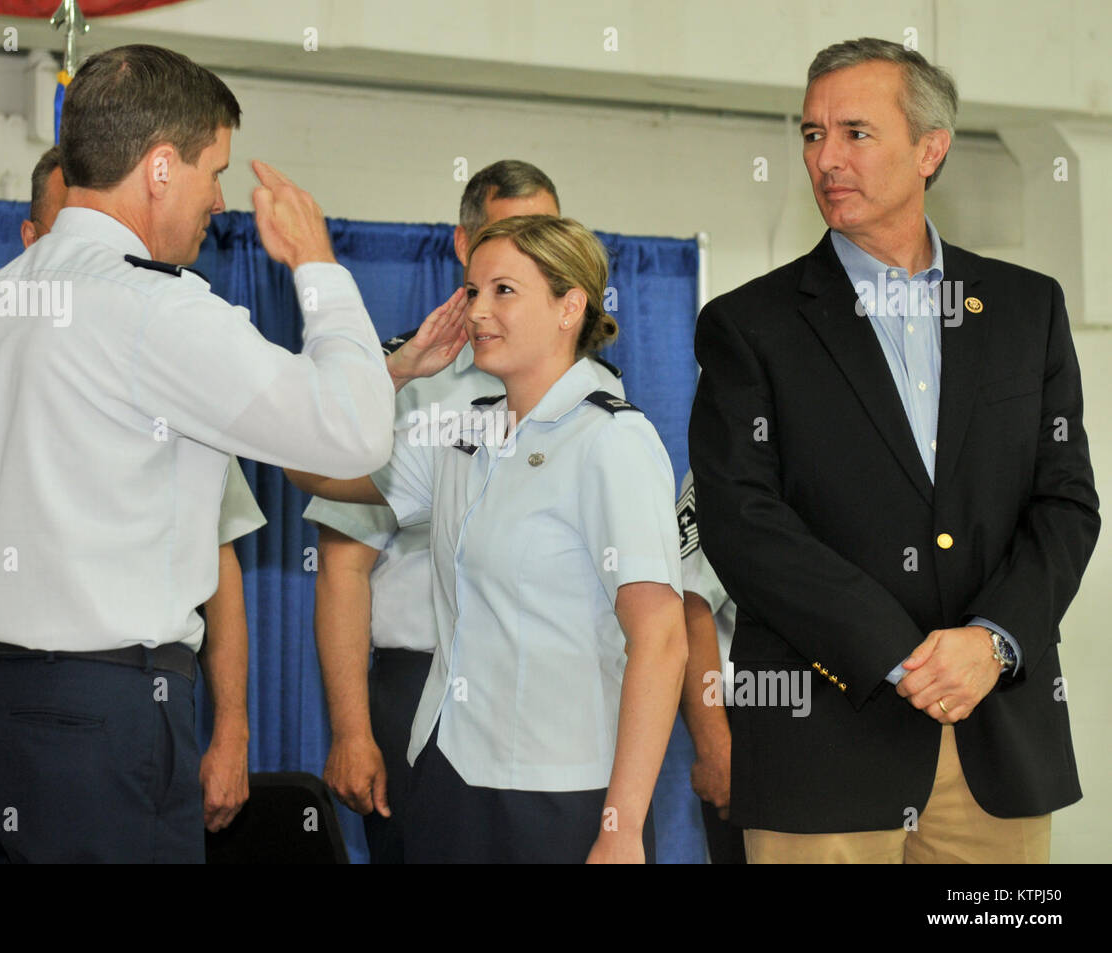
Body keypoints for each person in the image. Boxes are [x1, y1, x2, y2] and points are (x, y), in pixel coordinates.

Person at [0, 44, 394, 863]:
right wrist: (318, 268)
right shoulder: (160, 312)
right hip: (109, 727)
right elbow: (352, 433)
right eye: (213, 169)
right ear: (160, 167)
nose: (220, 198)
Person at [688, 37, 1099, 863]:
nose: (826, 158)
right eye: (812, 135)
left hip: (1000, 743)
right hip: (824, 748)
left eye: (854, 133)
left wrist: (991, 640)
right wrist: (900, 657)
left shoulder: (1027, 309)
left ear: (930, 149)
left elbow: (1065, 504)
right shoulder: (749, 325)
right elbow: (743, 522)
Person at [291, 215, 687, 863]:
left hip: (562, 791)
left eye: (504, 290)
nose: (478, 311)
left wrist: (619, 826)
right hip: (449, 774)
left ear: (570, 306)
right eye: (472, 291)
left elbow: (662, 637)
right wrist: (394, 372)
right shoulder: (460, 434)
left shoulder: (612, 441)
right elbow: (310, 464)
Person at [19, 144, 261, 833]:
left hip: (128, 699)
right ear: (33, 237)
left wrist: (232, 730)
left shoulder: (165, 356)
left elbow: (219, 564)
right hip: (6, 701)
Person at [673, 470, 744, 864]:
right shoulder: (726, 458)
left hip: (882, 714)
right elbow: (686, 601)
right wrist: (715, 749)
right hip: (759, 713)